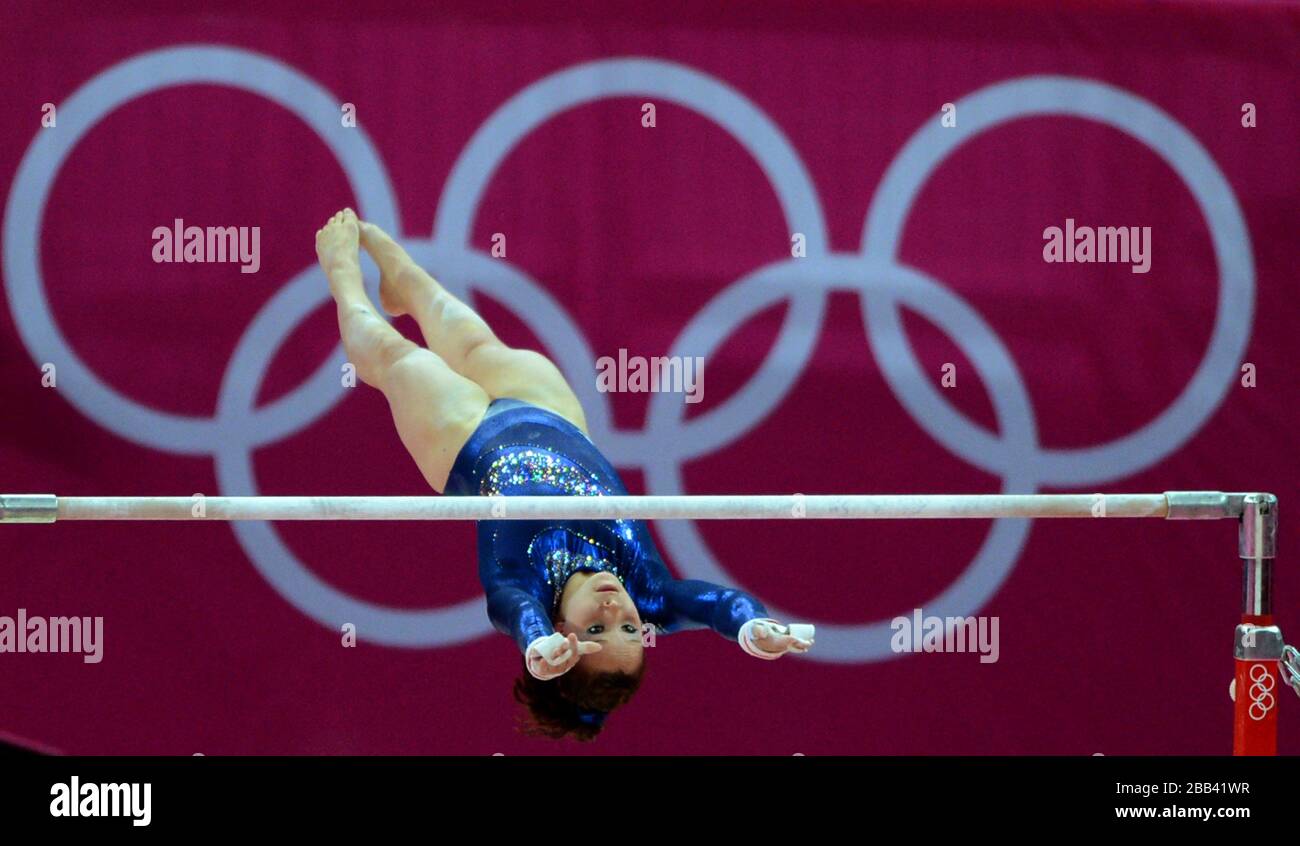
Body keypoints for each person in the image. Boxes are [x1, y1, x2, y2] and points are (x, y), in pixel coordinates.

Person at [314, 209, 814, 740]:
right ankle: (402, 276)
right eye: (629, 627)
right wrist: (750, 626)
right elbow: (712, 606)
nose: (615, 607)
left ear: (561, 634)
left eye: (596, 628)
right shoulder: (648, 590)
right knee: (478, 347)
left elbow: (511, 609)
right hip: (554, 418)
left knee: (400, 360)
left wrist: (533, 645)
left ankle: (344, 278)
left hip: (463, 447)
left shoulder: (522, 586)